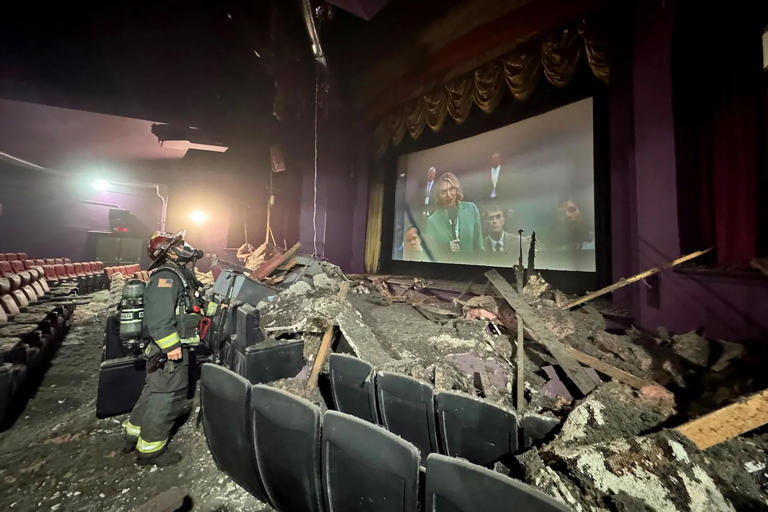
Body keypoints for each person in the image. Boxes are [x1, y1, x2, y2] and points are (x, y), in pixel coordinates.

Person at [122, 231, 219, 466]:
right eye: (179, 244)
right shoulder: (166, 278)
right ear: (169, 252)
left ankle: (133, 434)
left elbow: (191, 307)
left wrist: (218, 307)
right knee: (167, 396)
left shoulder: (179, 276)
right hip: (169, 350)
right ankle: (150, 451)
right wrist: (171, 345)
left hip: (168, 348)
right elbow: (158, 316)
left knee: (154, 390)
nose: (186, 247)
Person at [423, 172, 484, 263]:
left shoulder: (471, 209)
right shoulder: (432, 221)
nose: (448, 195)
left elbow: (479, 246)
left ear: (456, 189)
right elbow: (430, 255)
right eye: (444, 191)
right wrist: (446, 248)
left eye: (451, 189)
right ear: (439, 196)